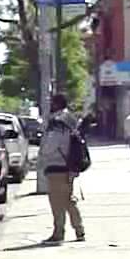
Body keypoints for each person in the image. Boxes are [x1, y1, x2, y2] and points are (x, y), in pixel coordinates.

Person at [39, 93, 86, 244]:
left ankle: (58, 233)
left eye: (52, 103)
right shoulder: (71, 119)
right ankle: (79, 230)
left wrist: (42, 156)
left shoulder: (57, 122)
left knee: (57, 202)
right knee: (68, 200)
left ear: (56, 104)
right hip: (69, 165)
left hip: (56, 165)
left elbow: (52, 144)